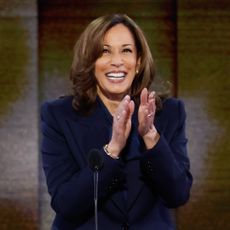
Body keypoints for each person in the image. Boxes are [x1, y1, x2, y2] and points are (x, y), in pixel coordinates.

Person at [40, 14, 193, 230]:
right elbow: (66, 204)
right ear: (90, 61)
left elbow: (178, 194)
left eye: (126, 50)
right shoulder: (59, 115)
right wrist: (112, 150)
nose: (117, 61)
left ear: (138, 62)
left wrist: (150, 136)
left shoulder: (169, 113)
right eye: (104, 51)